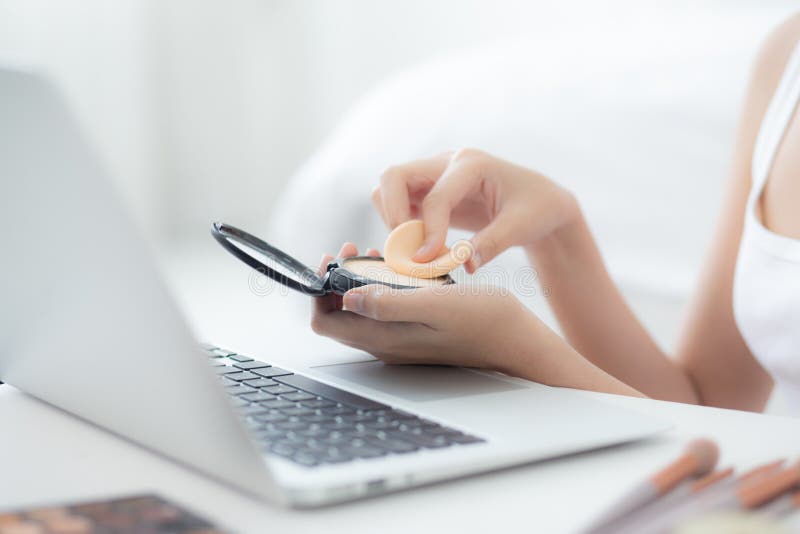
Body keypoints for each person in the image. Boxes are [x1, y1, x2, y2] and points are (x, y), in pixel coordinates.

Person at [311, 14, 800, 412]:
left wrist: (515, 349)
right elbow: (708, 411)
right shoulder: (783, 58)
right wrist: (558, 231)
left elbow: (723, 455)